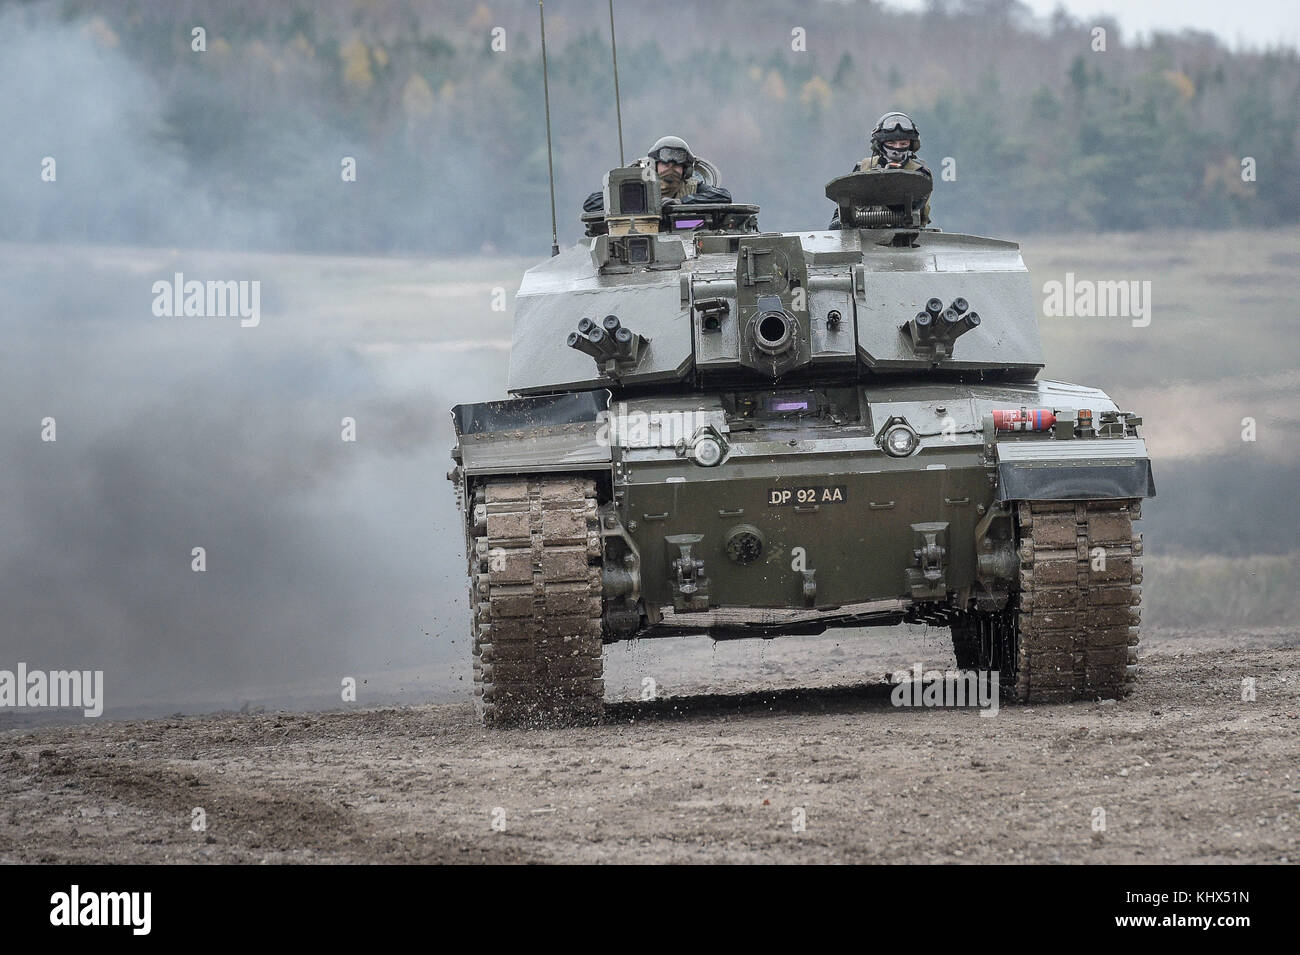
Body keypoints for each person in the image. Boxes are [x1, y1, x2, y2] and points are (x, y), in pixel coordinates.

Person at [829, 111, 932, 229]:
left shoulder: (919, 173)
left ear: (911, 144)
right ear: (880, 144)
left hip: (907, 237)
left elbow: (914, 205)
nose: (897, 148)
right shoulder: (864, 168)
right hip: (864, 237)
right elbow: (845, 205)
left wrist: (891, 179)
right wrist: (838, 223)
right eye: (891, 142)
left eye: (903, 143)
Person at [583, 135, 731, 213]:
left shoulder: (693, 187)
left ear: (686, 170)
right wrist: (638, 202)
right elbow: (591, 203)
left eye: (677, 166)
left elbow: (724, 196)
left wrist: (682, 202)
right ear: (654, 165)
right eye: (666, 164)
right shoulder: (637, 186)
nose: (670, 169)